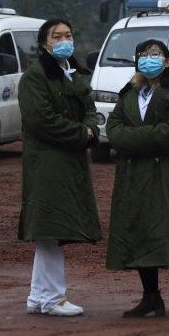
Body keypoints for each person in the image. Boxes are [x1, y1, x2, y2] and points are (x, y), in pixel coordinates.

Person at [106, 39, 169, 318]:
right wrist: (149, 137)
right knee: (141, 233)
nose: (150, 59)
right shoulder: (130, 93)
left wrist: (136, 140)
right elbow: (113, 130)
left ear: (167, 60)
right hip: (135, 175)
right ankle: (151, 298)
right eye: (144, 54)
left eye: (155, 54)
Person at [18, 18, 101, 317]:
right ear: (44, 43)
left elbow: (90, 110)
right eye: (57, 36)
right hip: (48, 163)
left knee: (48, 230)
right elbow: (40, 119)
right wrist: (82, 134)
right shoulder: (35, 77)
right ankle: (54, 298)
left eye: (68, 34)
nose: (65, 40)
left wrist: (90, 129)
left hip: (70, 161)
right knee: (52, 227)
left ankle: (38, 296)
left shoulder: (74, 75)